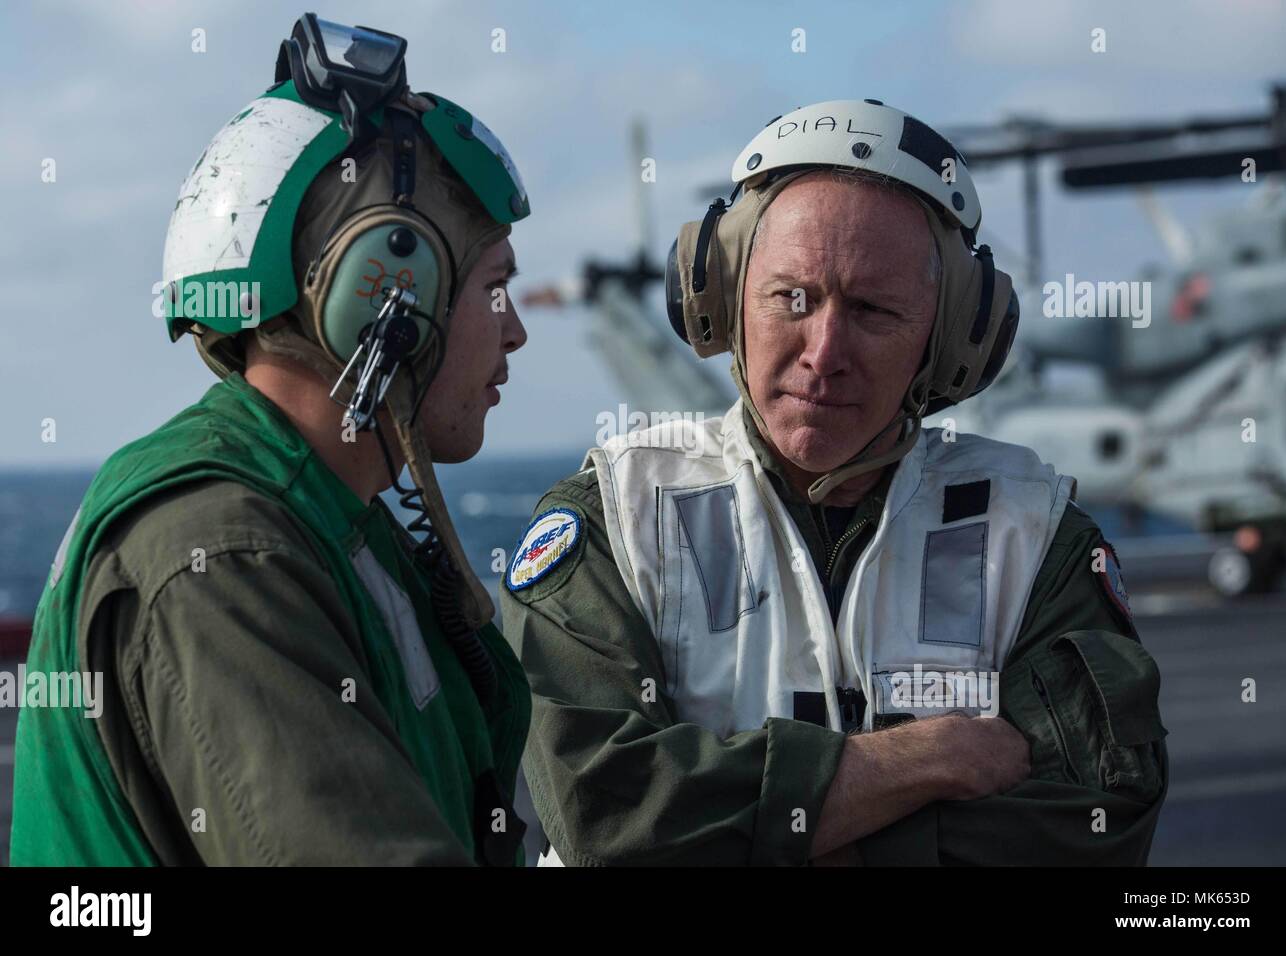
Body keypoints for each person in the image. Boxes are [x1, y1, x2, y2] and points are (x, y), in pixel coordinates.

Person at [501, 99, 1168, 866]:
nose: (825, 351)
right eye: (793, 297)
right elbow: (606, 817)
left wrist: (759, 830)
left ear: (952, 336)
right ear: (718, 301)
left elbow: (1094, 824)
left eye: (873, 310)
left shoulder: (1034, 536)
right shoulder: (615, 522)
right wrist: (922, 761)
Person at [12, 14, 532, 866]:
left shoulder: (328, 514)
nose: (514, 336)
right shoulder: (222, 554)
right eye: (495, 287)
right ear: (384, 294)